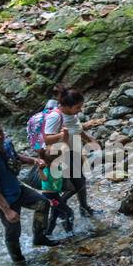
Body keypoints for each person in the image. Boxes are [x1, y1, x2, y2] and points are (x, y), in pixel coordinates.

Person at [0, 122, 55, 264]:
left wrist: (34, 160)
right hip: (3, 199)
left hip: (17, 189)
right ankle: (18, 261)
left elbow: (16, 157)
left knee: (42, 203)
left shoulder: (7, 145)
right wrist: (7, 211)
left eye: (0, 132)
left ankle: (39, 237)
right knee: (13, 230)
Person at [42, 87, 100, 218]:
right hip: (62, 155)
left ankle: (84, 208)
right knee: (77, 184)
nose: (80, 110)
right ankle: (58, 205)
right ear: (66, 106)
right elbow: (46, 138)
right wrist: (62, 134)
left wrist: (90, 140)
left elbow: (77, 129)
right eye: (77, 107)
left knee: (81, 181)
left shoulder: (72, 115)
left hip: (74, 151)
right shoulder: (55, 117)